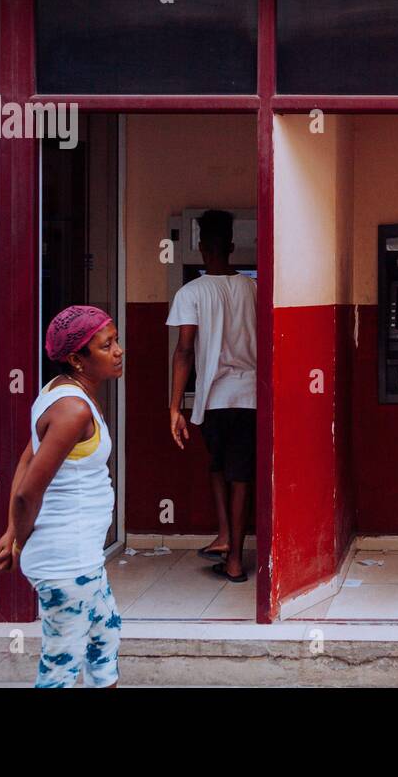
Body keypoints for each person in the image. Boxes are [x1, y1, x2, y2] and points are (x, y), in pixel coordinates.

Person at [0, 305, 124, 688]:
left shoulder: (60, 391)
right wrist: (15, 542)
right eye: (107, 345)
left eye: (116, 340)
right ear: (77, 359)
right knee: (59, 669)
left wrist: (12, 534)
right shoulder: (72, 411)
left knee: (104, 640)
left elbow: (27, 458)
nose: (118, 350)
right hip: (67, 561)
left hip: (81, 557)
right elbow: (28, 491)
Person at [166, 209, 257, 583]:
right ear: (233, 247)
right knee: (237, 474)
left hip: (214, 398)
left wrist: (174, 406)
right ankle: (227, 544)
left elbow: (184, 350)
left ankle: (233, 558)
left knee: (222, 469)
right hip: (251, 396)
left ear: (201, 248)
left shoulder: (191, 292)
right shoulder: (254, 287)